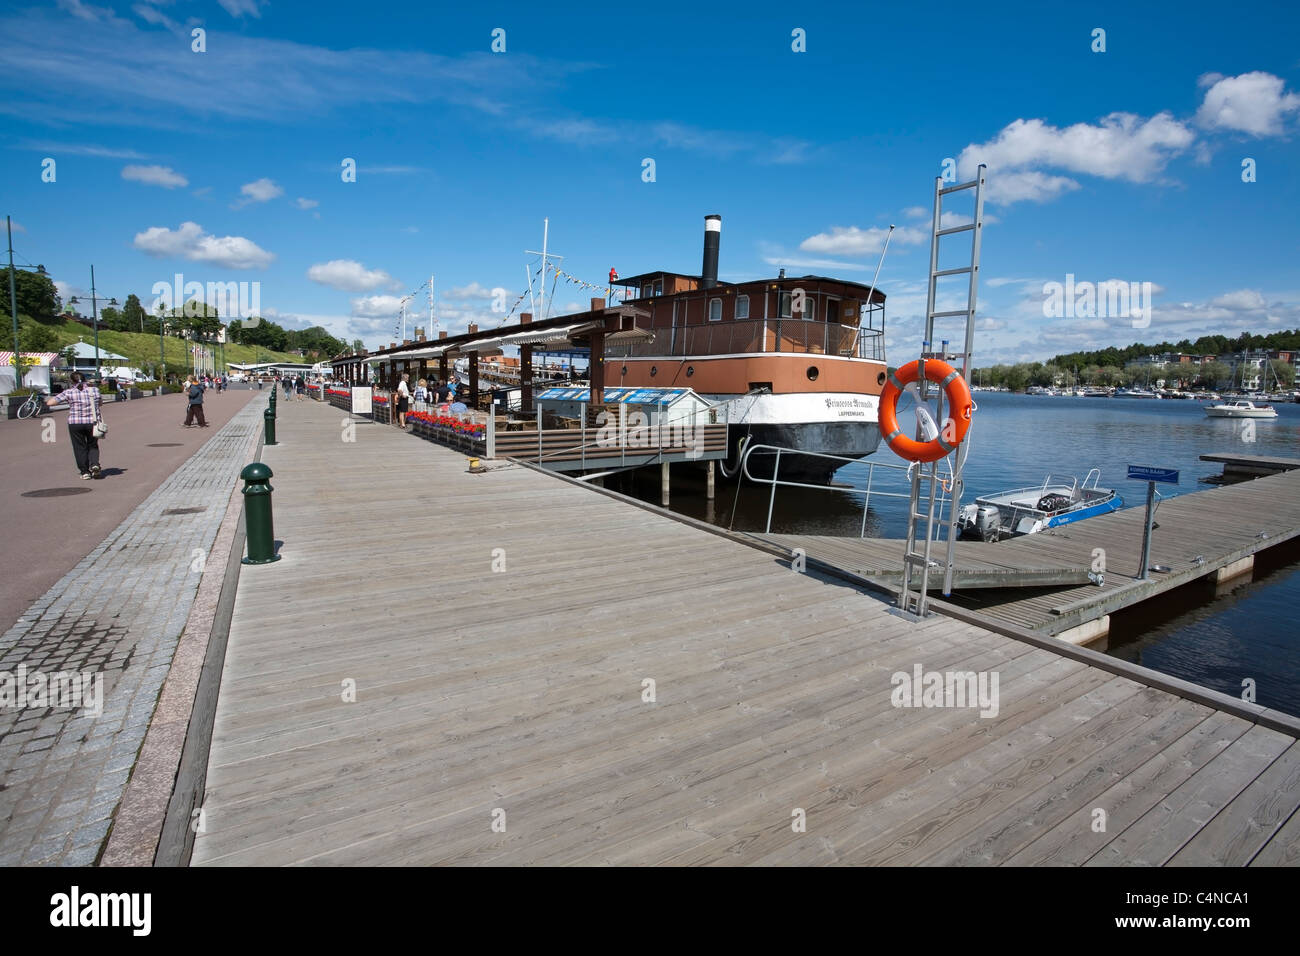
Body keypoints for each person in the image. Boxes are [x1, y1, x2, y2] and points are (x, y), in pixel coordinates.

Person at [46, 372, 104, 480]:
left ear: (72, 381)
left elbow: (50, 403)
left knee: (79, 447)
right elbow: (100, 403)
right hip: (92, 422)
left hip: (75, 423)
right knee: (93, 445)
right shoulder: (95, 390)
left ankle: (85, 472)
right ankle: (95, 464)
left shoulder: (69, 392)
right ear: (85, 379)